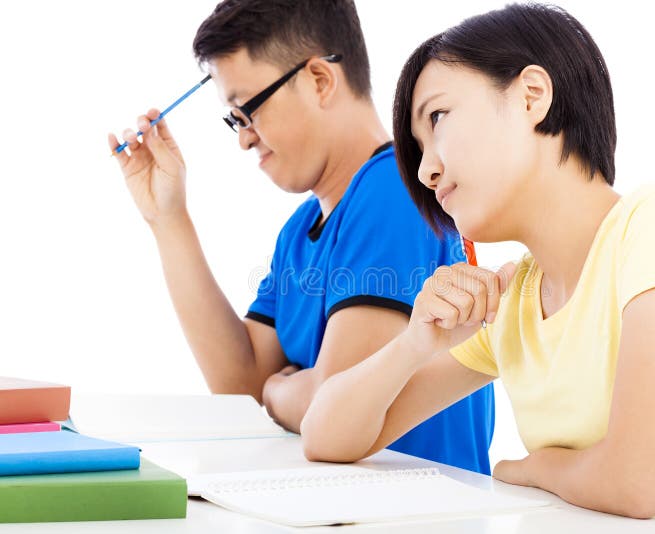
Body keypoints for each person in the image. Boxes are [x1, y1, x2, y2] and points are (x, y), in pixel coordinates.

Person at [300, 3, 655, 532]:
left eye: (438, 118)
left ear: (531, 96)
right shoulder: (513, 301)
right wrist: (414, 344)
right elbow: (325, 437)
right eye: (417, 150)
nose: (426, 170)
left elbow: (638, 482)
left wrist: (532, 468)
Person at [107, 0, 494, 475]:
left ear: (319, 79)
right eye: (233, 120)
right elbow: (241, 386)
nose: (244, 139)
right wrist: (169, 220)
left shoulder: (393, 191)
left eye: (246, 111)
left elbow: (325, 402)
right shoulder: (299, 230)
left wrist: (277, 390)